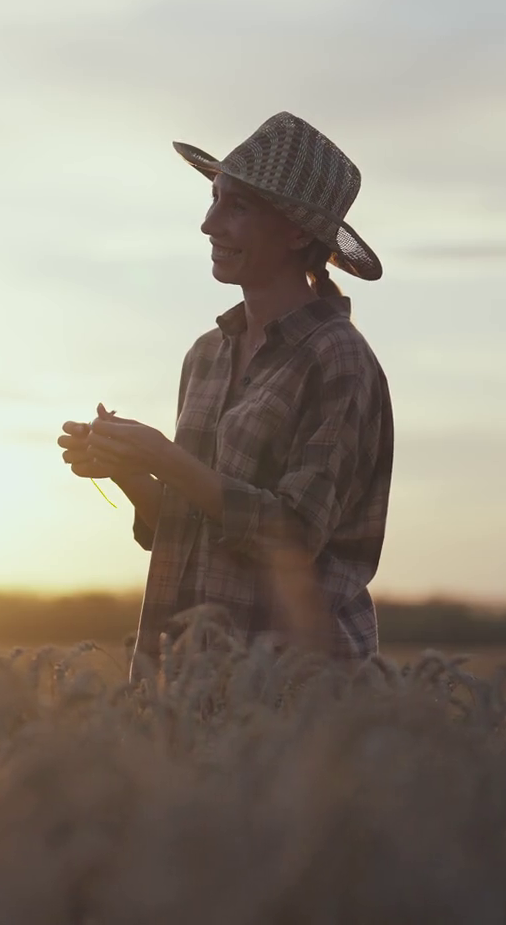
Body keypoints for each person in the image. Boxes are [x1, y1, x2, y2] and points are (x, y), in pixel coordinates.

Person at [58, 112, 393, 662]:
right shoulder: (207, 355)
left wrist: (164, 458)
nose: (210, 224)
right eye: (214, 199)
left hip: (293, 693)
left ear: (296, 231)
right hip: (186, 679)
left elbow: (293, 539)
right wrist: (126, 466)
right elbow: (188, 527)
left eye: (237, 207)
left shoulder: (338, 359)